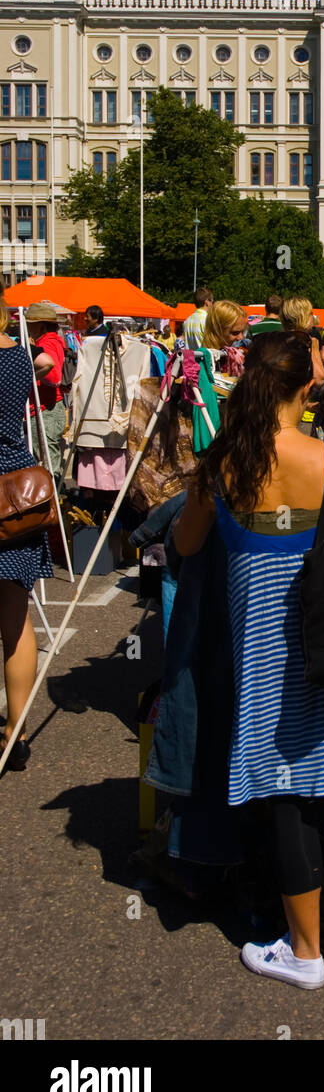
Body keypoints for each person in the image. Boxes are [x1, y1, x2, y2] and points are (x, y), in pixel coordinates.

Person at [173, 332, 324, 989]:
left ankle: (305, 953)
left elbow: (188, 545)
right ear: (309, 386)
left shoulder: (222, 461)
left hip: (267, 659)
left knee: (290, 796)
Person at [0, 291, 55, 771]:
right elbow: (44, 364)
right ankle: (16, 731)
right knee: (15, 618)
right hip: (13, 492)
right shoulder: (21, 358)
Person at [24, 302, 66, 475]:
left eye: (29, 325)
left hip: (45, 409)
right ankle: (51, 496)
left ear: (40, 326)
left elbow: (54, 376)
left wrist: (29, 376)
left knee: (46, 461)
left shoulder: (47, 344)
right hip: (49, 407)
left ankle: (50, 499)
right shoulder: (54, 341)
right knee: (47, 459)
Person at [280, 297, 324, 385]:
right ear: (302, 317)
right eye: (310, 313)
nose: (313, 316)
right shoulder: (301, 343)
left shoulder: (281, 341)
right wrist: (314, 350)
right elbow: (320, 379)